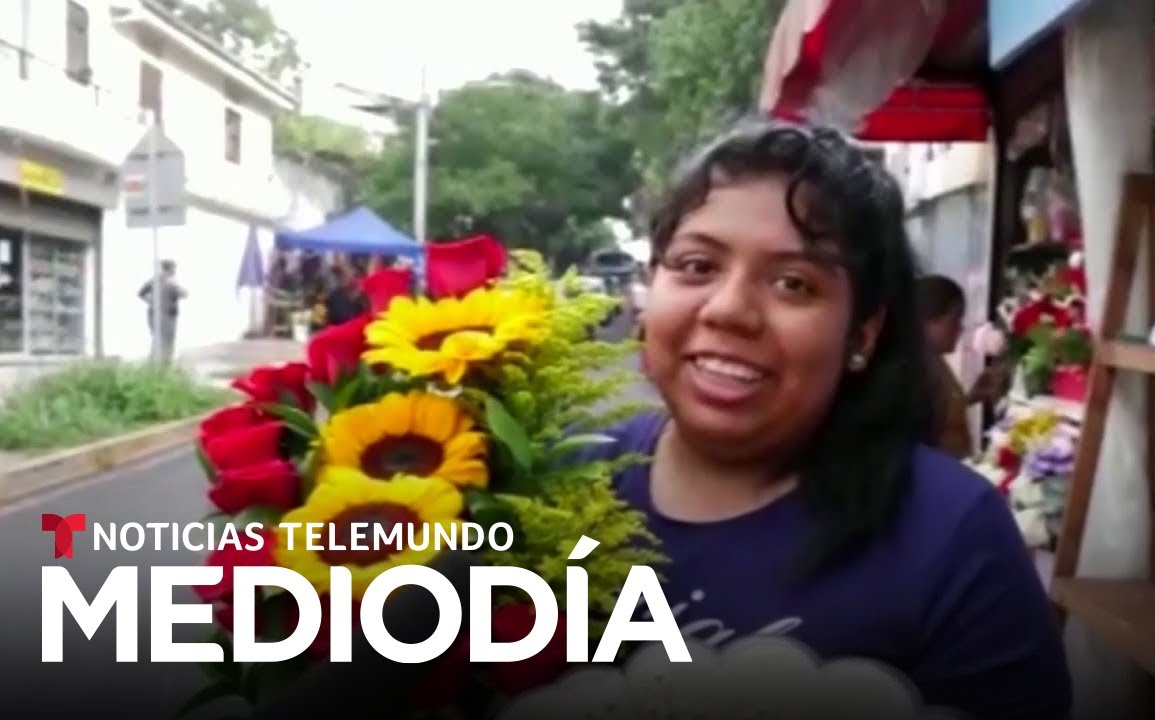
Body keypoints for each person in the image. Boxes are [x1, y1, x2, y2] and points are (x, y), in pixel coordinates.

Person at [252, 119, 1071, 720]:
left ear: (862, 333)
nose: (729, 310)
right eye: (696, 265)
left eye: (794, 284)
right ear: (653, 290)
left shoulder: (949, 532)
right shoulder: (551, 489)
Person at [918, 274, 1010, 459]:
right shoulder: (916, 371)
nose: (960, 328)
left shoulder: (933, 361)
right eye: (955, 319)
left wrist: (971, 397)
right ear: (928, 321)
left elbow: (942, 417)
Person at [137, 259, 185, 364]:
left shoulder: (154, 280)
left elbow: (140, 293)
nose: (175, 271)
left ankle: (156, 364)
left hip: (155, 314)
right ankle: (164, 364)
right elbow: (184, 294)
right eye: (174, 268)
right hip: (167, 315)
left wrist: (150, 301)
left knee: (158, 339)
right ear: (170, 269)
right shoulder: (170, 282)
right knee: (167, 340)